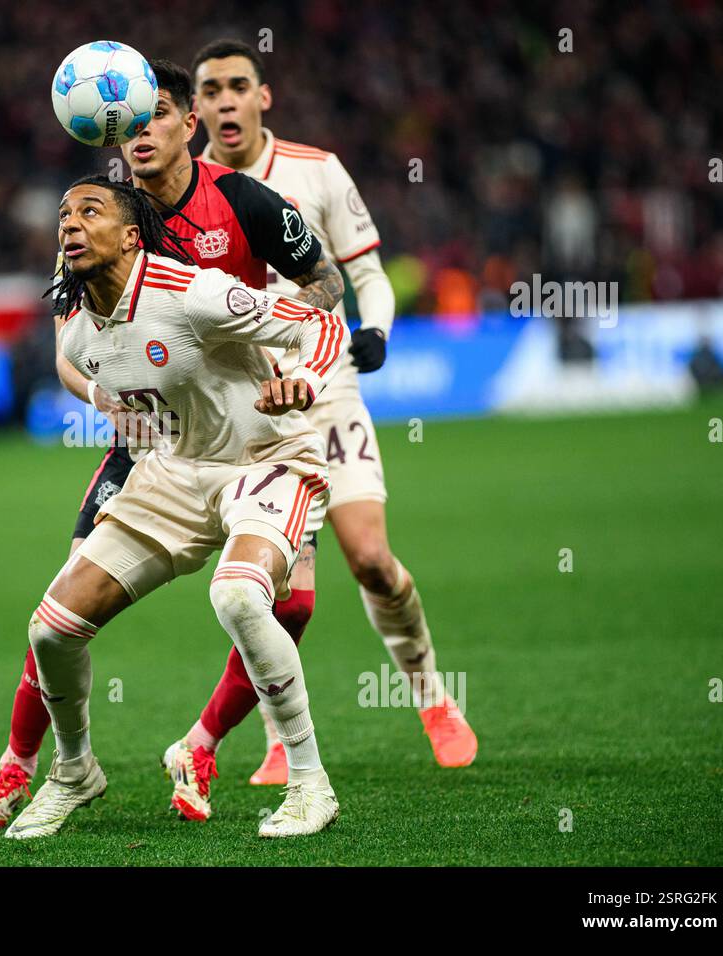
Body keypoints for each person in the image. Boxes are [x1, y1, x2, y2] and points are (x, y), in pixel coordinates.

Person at [0, 59, 345, 828]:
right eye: (64, 219)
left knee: (255, 598)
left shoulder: (216, 242)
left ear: (185, 124)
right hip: (166, 457)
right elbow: (79, 356)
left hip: (265, 447)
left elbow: (322, 307)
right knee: (52, 623)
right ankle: (61, 770)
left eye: (156, 115)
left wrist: (299, 374)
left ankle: (303, 779)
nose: (69, 227)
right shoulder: (80, 309)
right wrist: (106, 398)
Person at [178, 38, 478, 790]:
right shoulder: (179, 193)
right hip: (252, 414)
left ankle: (431, 697)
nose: (223, 102)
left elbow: (366, 273)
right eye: (209, 91)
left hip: (328, 391)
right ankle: (283, 738)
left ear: (262, 96)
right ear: (194, 110)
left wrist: (374, 330)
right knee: (288, 599)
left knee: (372, 560)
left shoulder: (317, 170)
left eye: (236, 87)